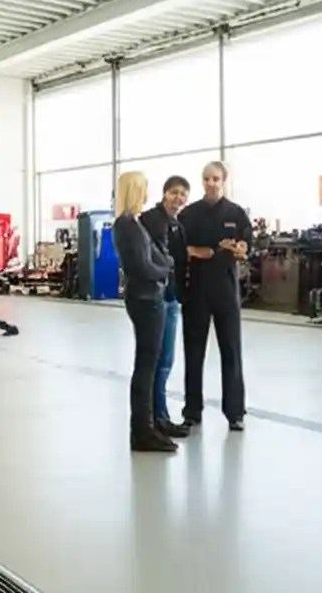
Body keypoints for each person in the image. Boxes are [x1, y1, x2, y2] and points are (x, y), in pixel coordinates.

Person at [179, 161, 252, 432]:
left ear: (224, 181)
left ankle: (235, 412)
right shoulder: (189, 215)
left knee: (231, 351)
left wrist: (241, 248)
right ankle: (192, 410)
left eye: (216, 179)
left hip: (226, 291)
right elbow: (176, 248)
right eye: (207, 179)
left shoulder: (236, 213)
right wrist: (197, 251)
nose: (211, 183)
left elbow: (247, 243)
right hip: (196, 291)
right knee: (193, 352)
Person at [112, 171, 178, 453]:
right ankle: (142, 431)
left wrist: (164, 263)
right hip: (145, 298)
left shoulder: (133, 223)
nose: (148, 194)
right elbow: (142, 265)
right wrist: (165, 269)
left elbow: (155, 256)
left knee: (148, 365)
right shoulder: (126, 225)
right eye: (144, 188)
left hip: (148, 296)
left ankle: (148, 426)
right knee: (146, 366)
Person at [138, 175, 191, 440]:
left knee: (166, 361)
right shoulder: (150, 220)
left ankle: (160, 416)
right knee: (156, 361)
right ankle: (156, 419)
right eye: (174, 193)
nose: (177, 198)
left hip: (171, 298)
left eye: (182, 194)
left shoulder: (176, 225)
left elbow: (179, 261)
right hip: (155, 298)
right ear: (164, 193)